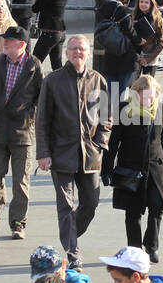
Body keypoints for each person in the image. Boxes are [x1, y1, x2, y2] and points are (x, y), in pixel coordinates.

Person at [37, 35, 112, 269]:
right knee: (66, 206)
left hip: (89, 154)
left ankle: (70, 236)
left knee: (90, 203)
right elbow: (42, 120)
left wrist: (100, 142)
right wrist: (43, 152)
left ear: (88, 53)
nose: (78, 52)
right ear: (66, 53)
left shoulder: (98, 80)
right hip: (61, 154)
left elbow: (108, 116)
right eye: (73, 49)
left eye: (82, 49)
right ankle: (73, 252)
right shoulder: (53, 80)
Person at [102, 75, 163, 264]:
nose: (149, 100)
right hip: (131, 168)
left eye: (152, 96)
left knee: (157, 207)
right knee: (133, 212)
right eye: (145, 96)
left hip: (156, 167)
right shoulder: (124, 110)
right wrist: (106, 169)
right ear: (136, 94)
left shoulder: (160, 109)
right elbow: (114, 142)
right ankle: (135, 248)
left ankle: (152, 246)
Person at [0, 25, 44, 239]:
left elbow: (42, 97)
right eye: (4, 39)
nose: (4, 42)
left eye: (9, 40)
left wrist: (30, 113)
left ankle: (18, 222)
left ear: (22, 45)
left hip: (22, 133)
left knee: (21, 181)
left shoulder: (34, 66)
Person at [93, 0, 137, 116]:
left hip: (109, 54)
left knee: (111, 90)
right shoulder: (122, 10)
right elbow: (130, 32)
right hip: (124, 54)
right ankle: (121, 119)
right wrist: (140, 40)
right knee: (123, 90)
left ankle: (111, 118)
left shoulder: (100, 10)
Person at [30, 0, 69, 70]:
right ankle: (61, 86)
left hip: (50, 32)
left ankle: (31, 86)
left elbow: (35, 8)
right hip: (60, 32)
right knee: (57, 67)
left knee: (33, 64)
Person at [129, 0, 163, 76]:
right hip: (135, 55)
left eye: (146, 2)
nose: (143, 4)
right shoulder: (132, 17)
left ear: (151, 4)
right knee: (133, 86)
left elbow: (161, 42)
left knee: (147, 86)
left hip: (150, 56)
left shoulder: (157, 19)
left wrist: (148, 58)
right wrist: (134, 54)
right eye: (141, 2)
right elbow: (128, 37)